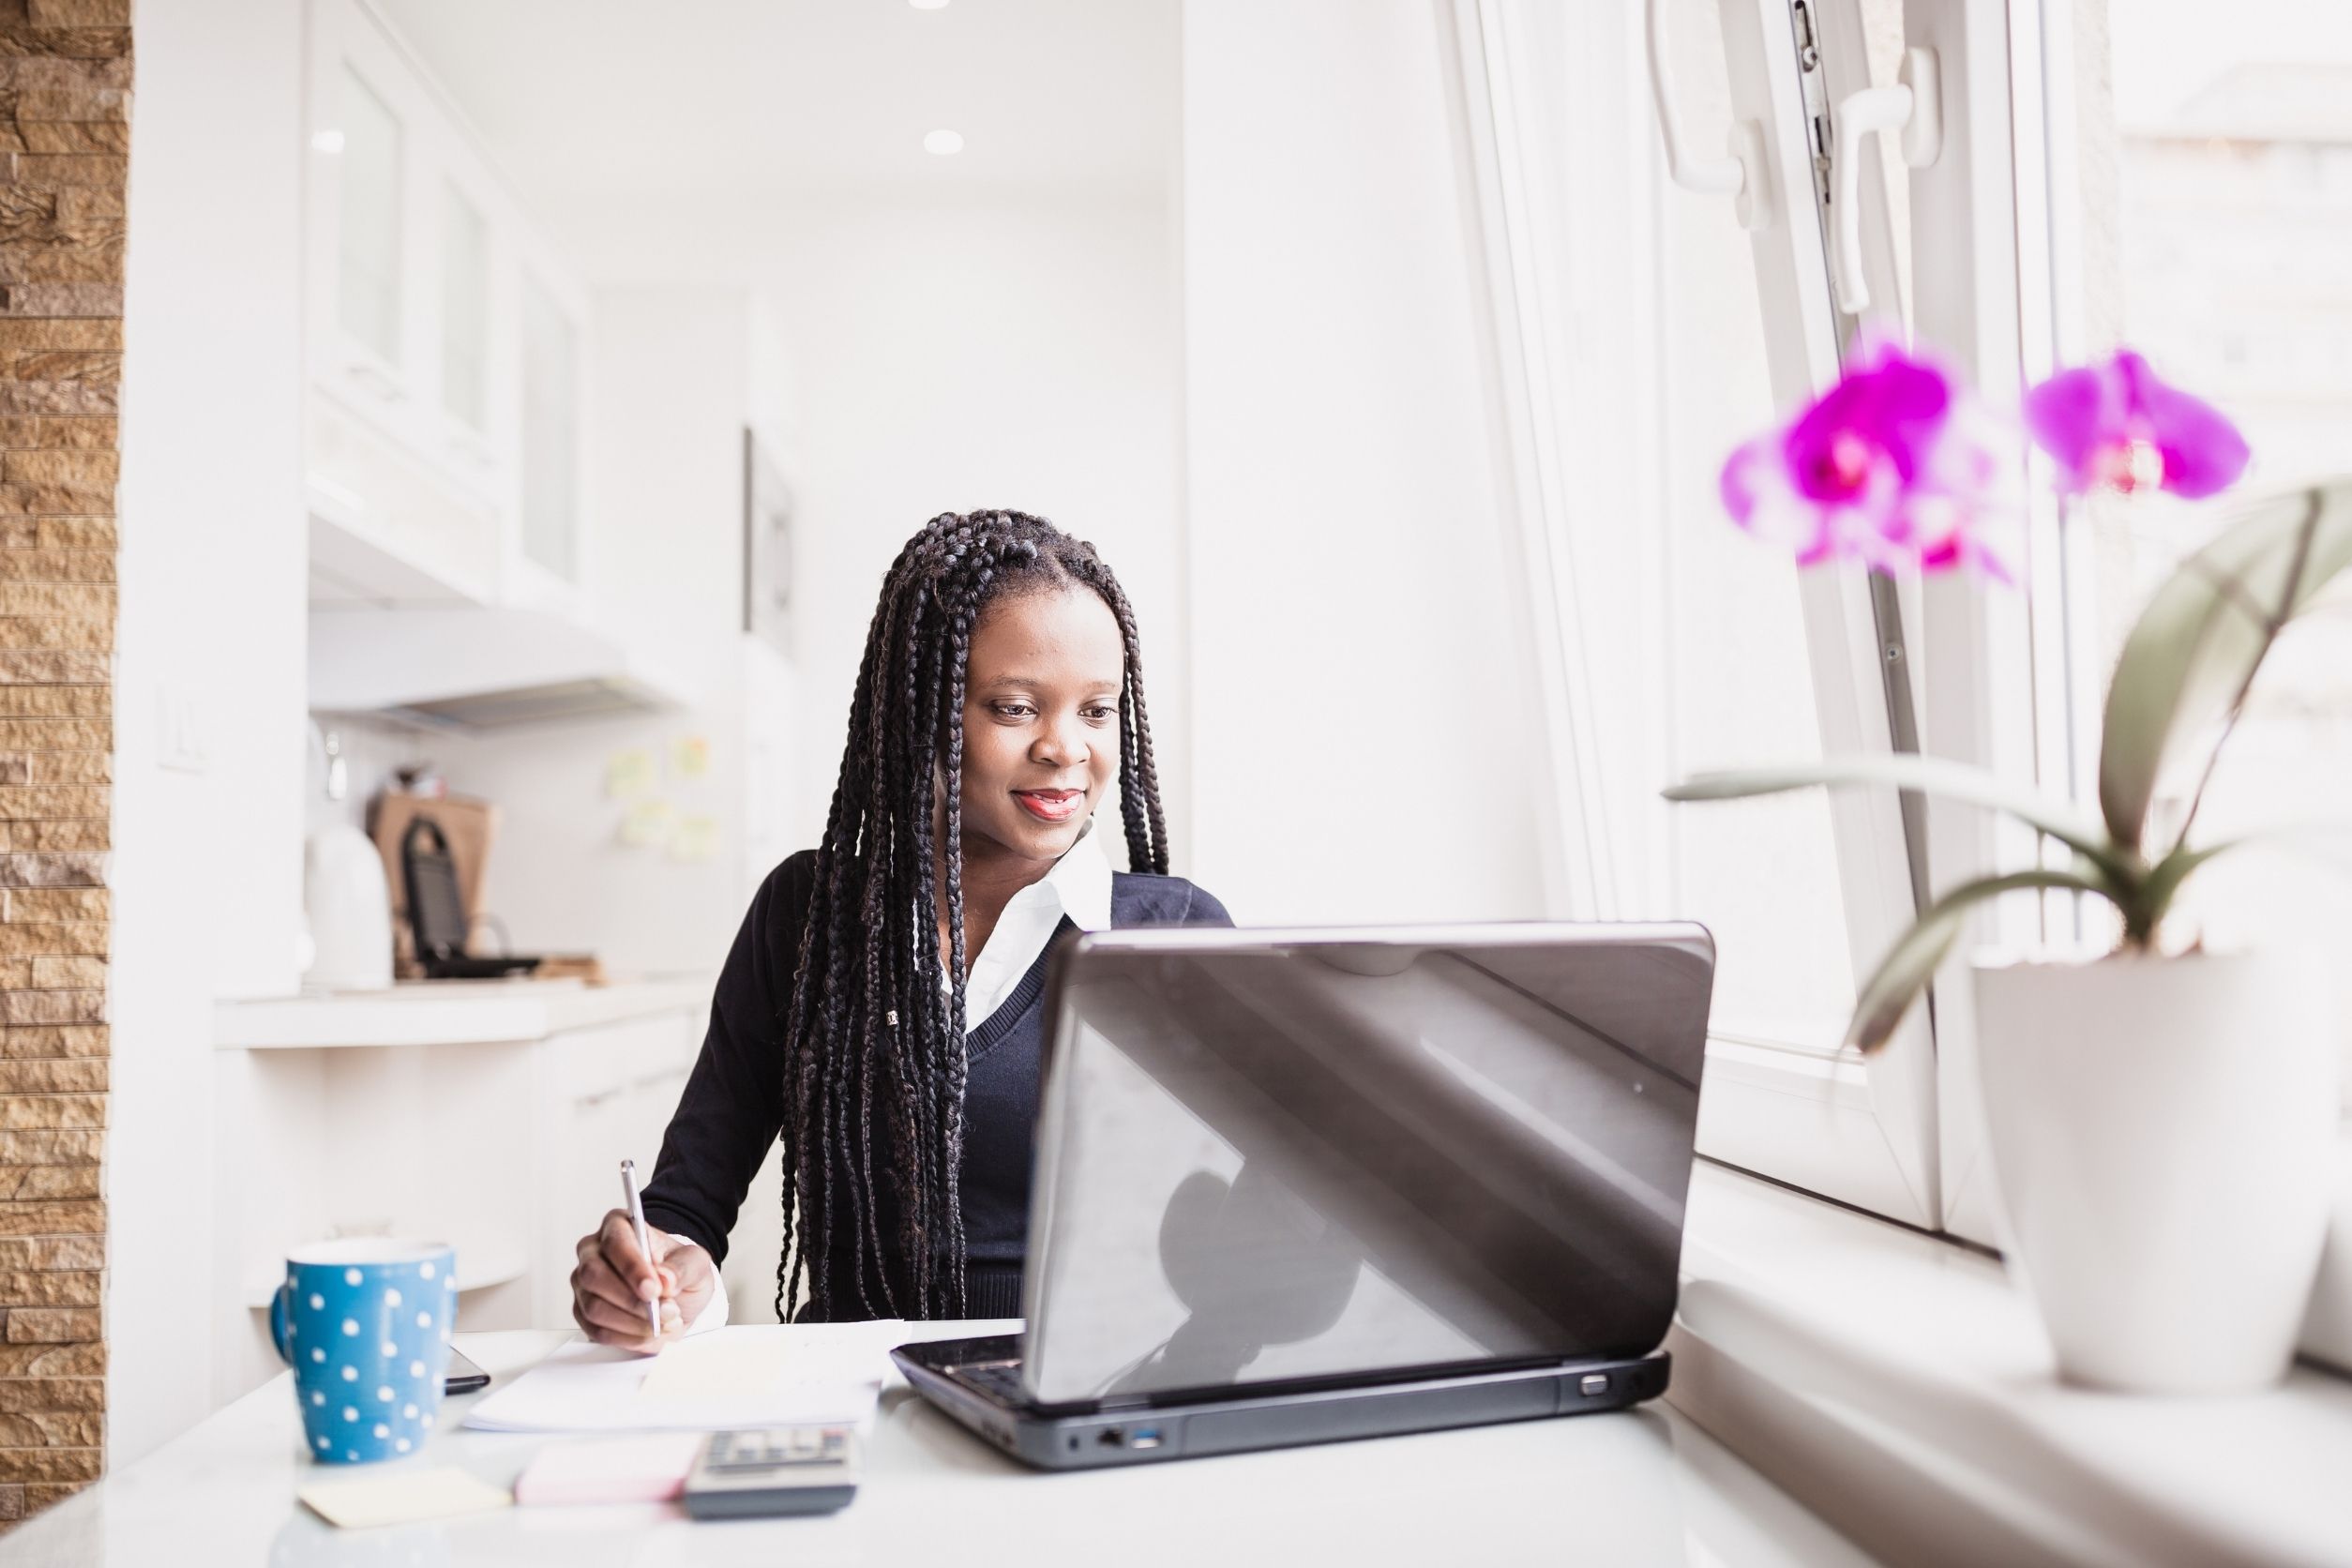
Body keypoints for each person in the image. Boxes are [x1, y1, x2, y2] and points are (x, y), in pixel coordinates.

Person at [569, 509, 1231, 1347]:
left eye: (1097, 711)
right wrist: (653, 1276)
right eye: (1016, 707)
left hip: (1082, 1389)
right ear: (924, 713)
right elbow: (686, 1208)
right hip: (849, 1388)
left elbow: (1261, 1225)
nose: (1066, 747)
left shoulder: (1174, 935)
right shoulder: (807, 917)